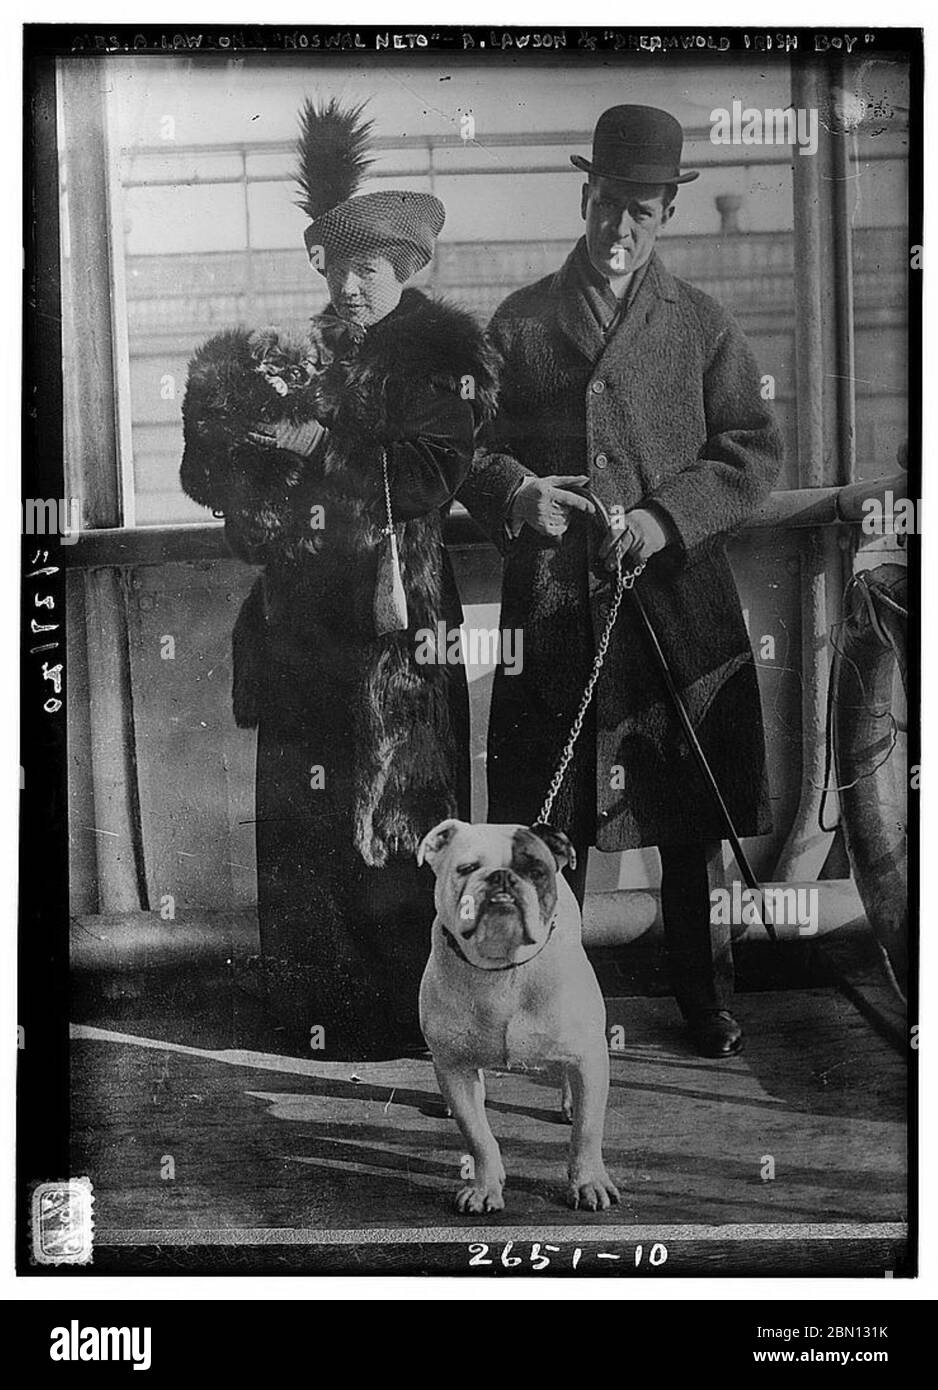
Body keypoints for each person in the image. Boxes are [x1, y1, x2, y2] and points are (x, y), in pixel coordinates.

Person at [459, 105, 783, 1057]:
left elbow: (752, 450)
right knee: (551, 821)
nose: (621, 228)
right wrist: (515, 493)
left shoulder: (703, 325)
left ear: (667, 213)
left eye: (643, 211)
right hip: (558, 613)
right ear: (585, 195)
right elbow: (466, 447)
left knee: (686, 815)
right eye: (609, 205)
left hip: (673, 609)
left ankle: (703, 997)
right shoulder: (519, 323)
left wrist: (659, 519)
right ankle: (537, 1006)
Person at [180, 99, 496, 1058]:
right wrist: (242, 449)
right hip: (304, 625)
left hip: (398, 627)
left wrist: (317, 439)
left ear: (408, 270)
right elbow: (213, 476)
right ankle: (307, 1008)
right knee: (307, 814)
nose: (352, 286)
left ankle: (411, 1012)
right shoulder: (298, 356)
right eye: (338, 267)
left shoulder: (447, 362)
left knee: (401, 814)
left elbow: (429, 477)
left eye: (370, 268)